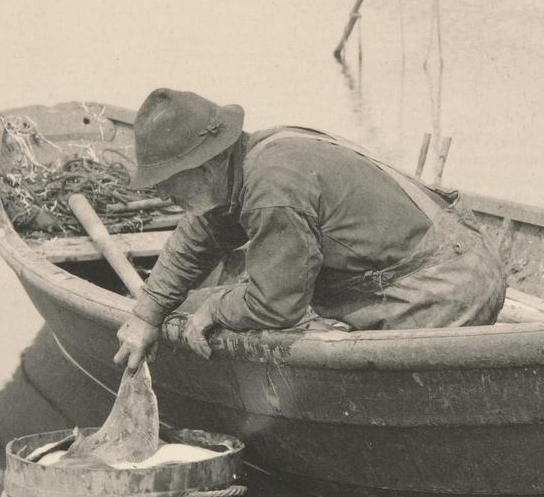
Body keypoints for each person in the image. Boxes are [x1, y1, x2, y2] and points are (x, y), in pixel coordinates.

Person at [111, 88, 508, 368]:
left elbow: (274, 306)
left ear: (206, 165)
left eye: (167, 179)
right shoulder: (248, 159)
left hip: (445, 286)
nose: (162, 193)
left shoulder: (272, 186)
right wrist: (147, 314)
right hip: (449, 262)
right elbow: (201, 234)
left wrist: (216, 306)